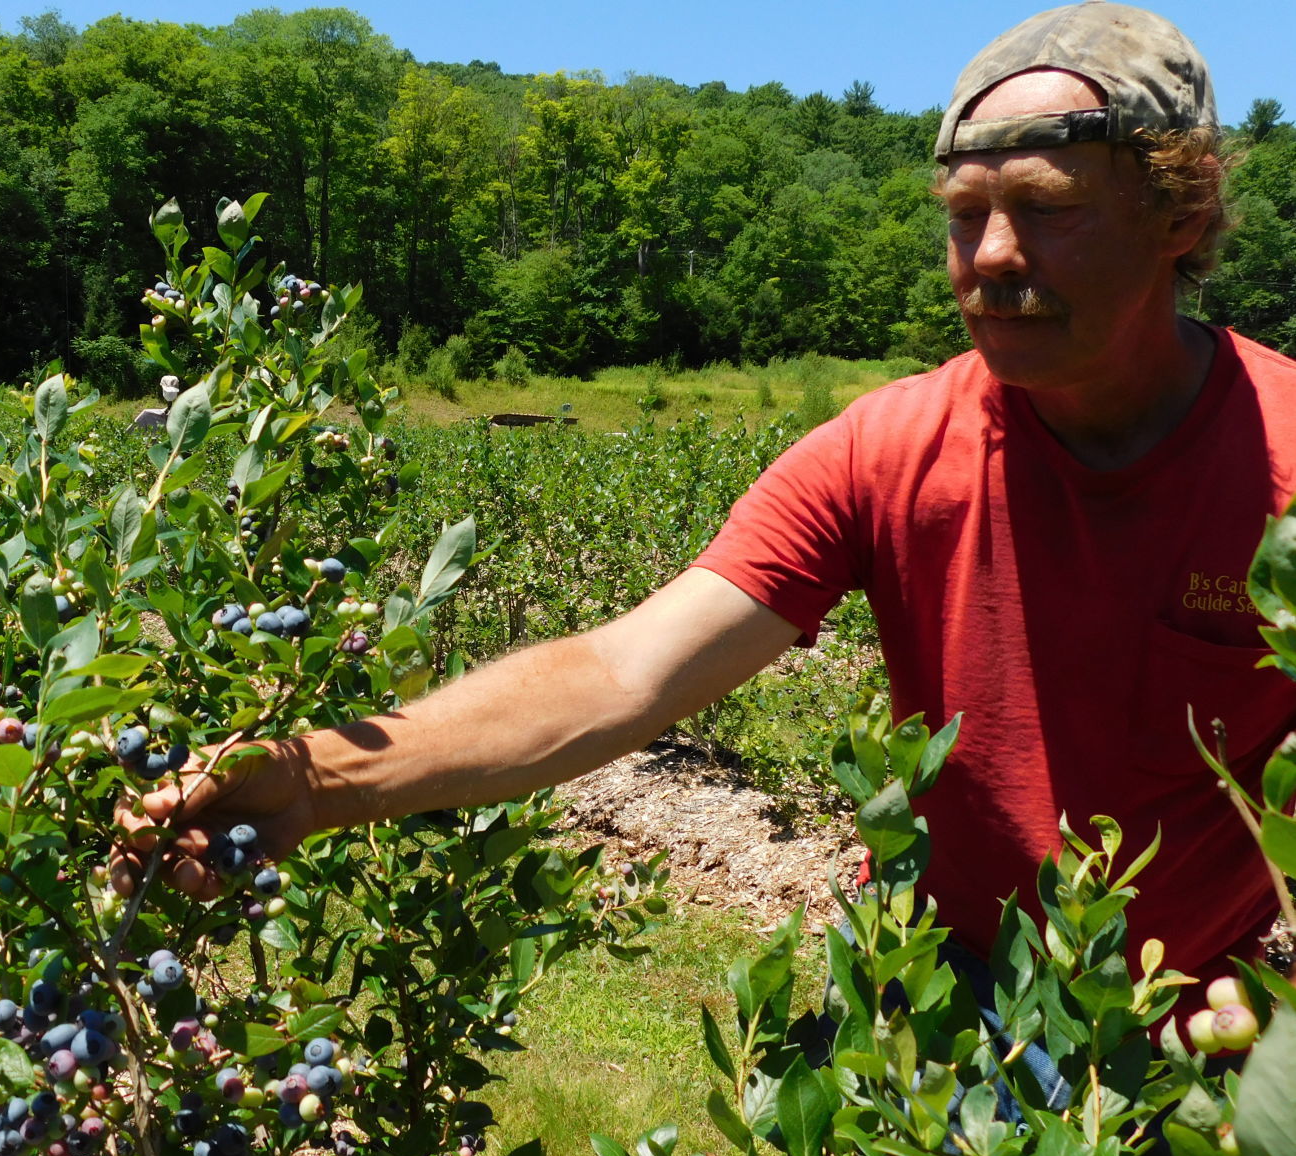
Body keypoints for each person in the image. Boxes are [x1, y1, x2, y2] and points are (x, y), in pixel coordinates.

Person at [116, 2, 1296, 993]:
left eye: (1045, 207)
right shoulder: (888, 450)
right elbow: (625, 672)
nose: (988, 254)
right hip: (932, 999)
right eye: (962, 216)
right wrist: (316, 777)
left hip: (1199, 1039)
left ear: (1179, 214)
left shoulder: (1281, 461)